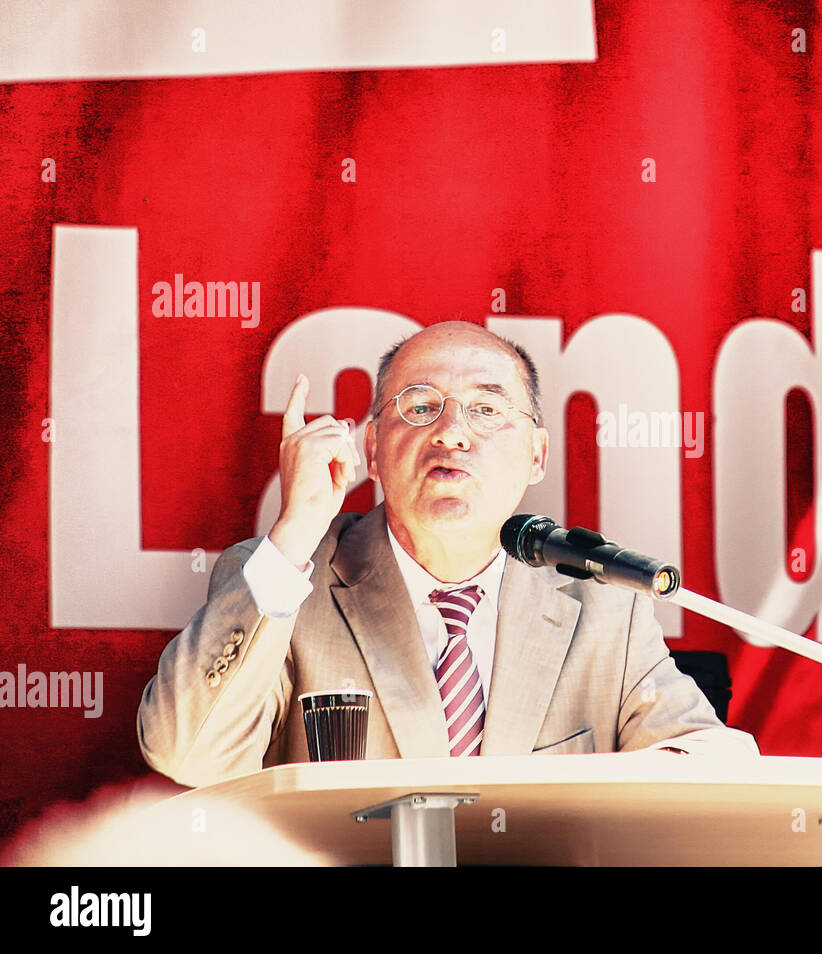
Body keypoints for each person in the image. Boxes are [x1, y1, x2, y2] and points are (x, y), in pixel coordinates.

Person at [137, 321, 759, 787]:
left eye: (487, 410)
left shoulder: (604, 606)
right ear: (373, 452)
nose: (453, 432)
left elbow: (709, 763)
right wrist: (296, 531)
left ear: (537, 455)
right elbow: (187, 753)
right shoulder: (280, 578)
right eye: (421, 407)